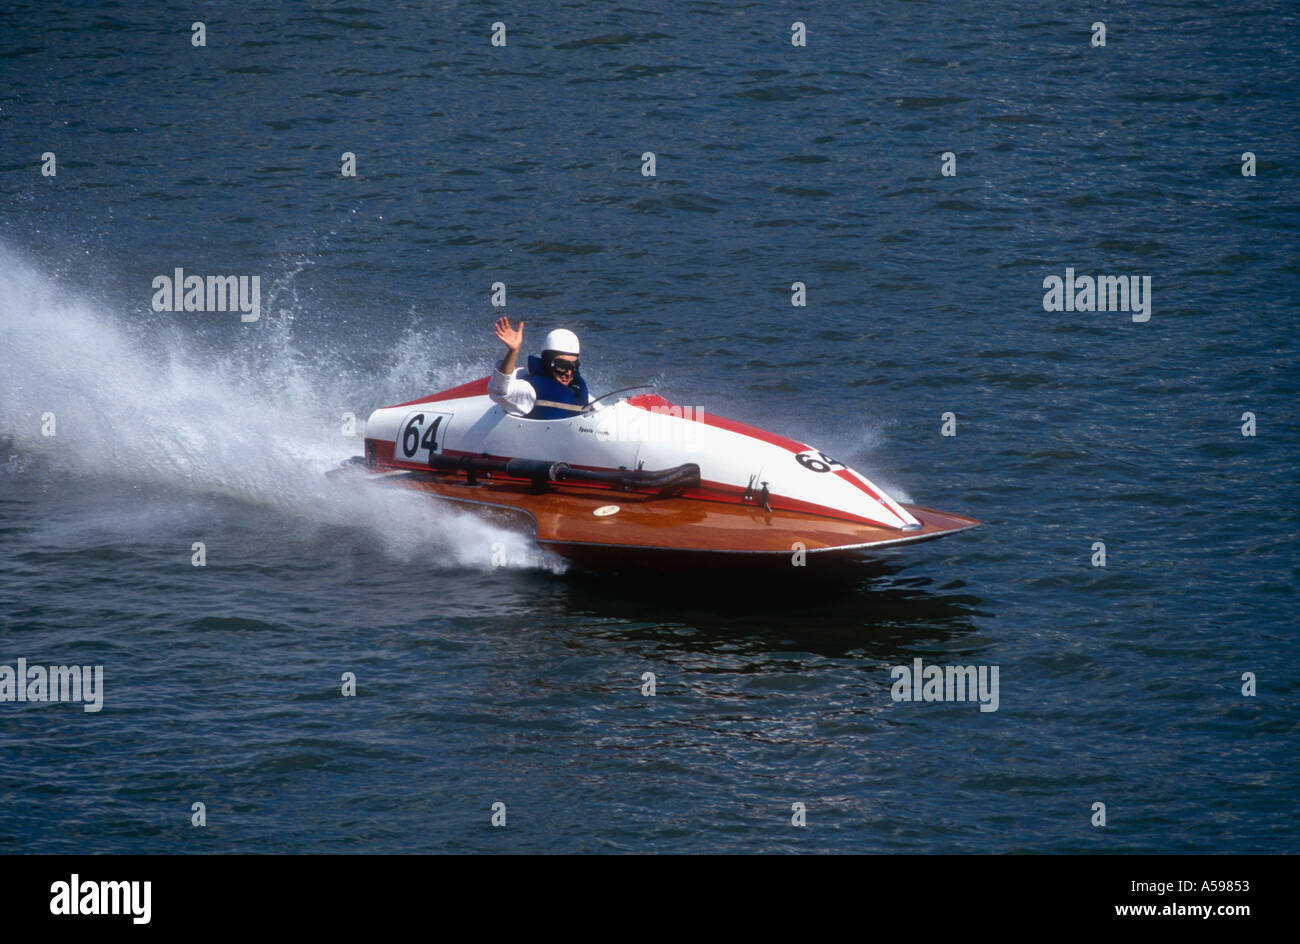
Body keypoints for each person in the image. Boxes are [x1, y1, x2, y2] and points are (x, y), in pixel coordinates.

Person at [489, 316, 591, 419]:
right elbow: (499, 392)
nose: (568, 373)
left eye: (574, 366)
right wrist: (513, 351)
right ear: (548, 363)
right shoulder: (531, 391)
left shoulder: (578, 388)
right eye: (562, 366)